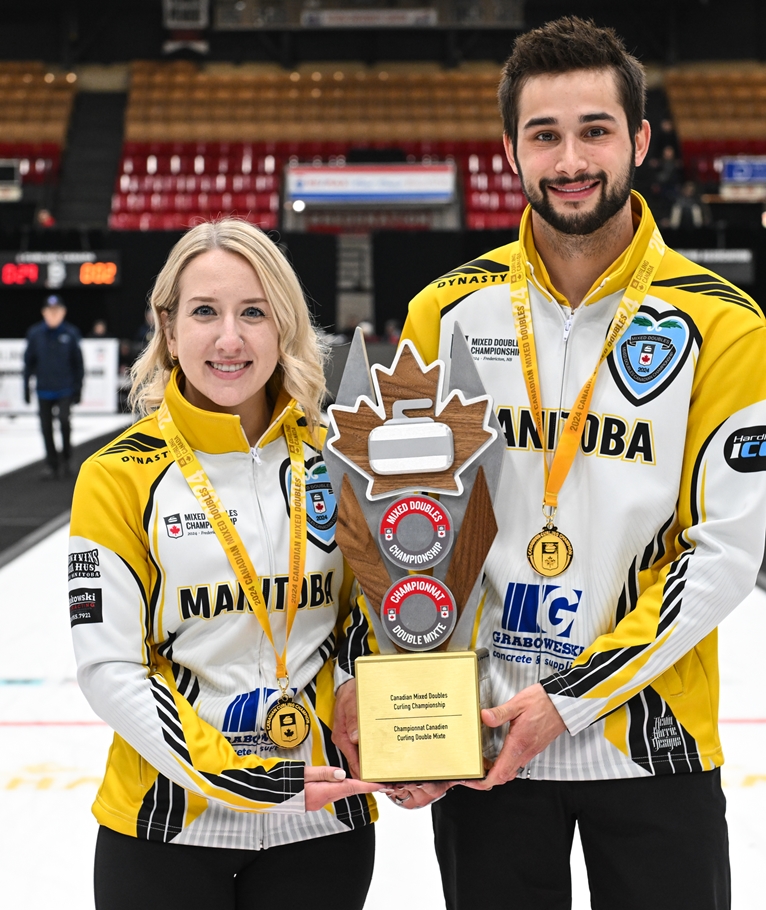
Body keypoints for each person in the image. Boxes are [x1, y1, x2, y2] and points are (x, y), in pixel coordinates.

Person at [332, 17, 766, 910]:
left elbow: (726, 553)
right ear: (510, 151)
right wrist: (404, 712)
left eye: (595, 130)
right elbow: (404, 535)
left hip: (651, 744)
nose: (571, 159)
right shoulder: (446, 312)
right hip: (485, 744)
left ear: (640, 140)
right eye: (545, 134)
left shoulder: (723, 324)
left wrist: (567, 701)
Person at [68, 219, 382, 910]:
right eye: (205, 311)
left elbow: (373, 616)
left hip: (321, 823)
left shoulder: (341, 457)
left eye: (254, 312)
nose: (230, 339)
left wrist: (396, 723)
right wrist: (243, 779)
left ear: (285, 327)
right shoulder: (117, 477)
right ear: (169, 328)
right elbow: (109, 668)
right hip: (165, 833)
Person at [23, 293, 84, 478]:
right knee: (45, 427)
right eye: (50, 311)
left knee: (65, 422)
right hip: (43, 389)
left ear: (63, 312)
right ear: (43, 313)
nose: (53, 315)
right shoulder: (35, 334)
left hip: (65, 388)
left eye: (56, 311)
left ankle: (67, 459)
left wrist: (78, 388)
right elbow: (28, 363)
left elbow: (78, 364)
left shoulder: (71, 333)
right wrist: (25, 387)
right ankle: (52, 464)